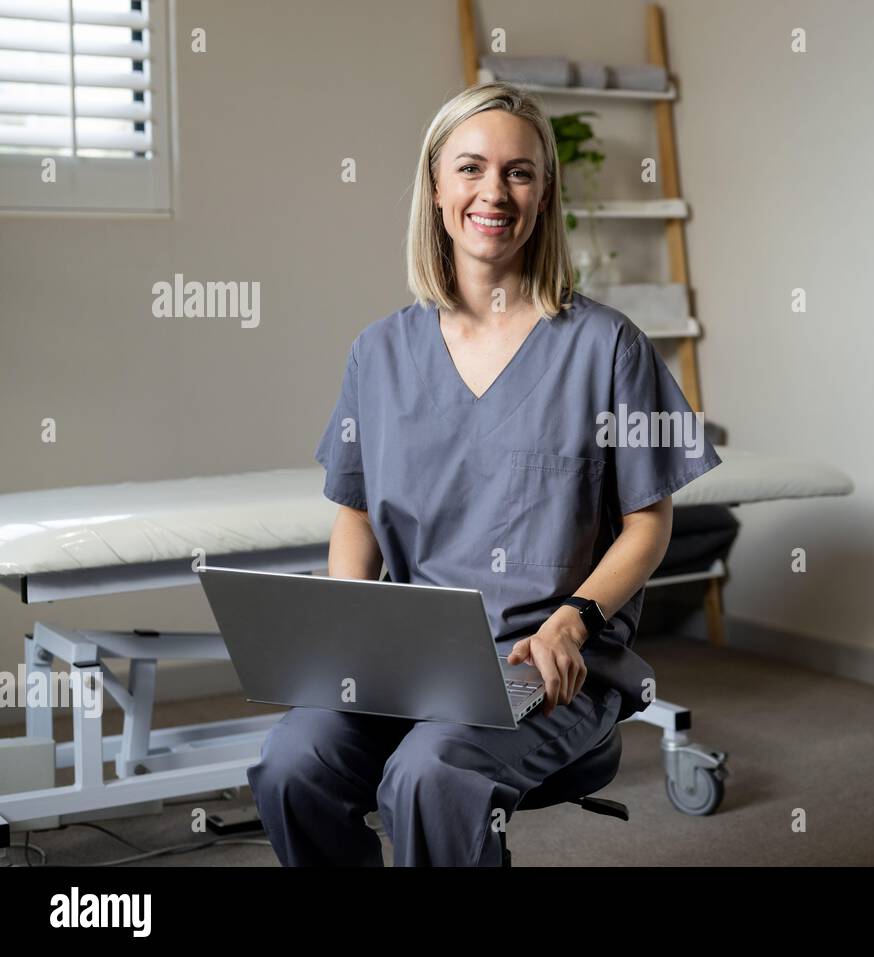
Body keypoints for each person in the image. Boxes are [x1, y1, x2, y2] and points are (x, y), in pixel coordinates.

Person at [246, 81, 721, 866]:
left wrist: (571, 619)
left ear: (544, 194)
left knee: (431, 775)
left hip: (547, 661)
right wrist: (348, 634)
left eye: (519, 173)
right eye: (470, 168)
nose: (493, 193)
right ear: (436, 186)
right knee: (293, 765)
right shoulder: (379, 352)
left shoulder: (608, 347)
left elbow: (649, 523)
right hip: (409, 663)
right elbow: (356, 515)